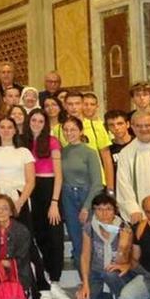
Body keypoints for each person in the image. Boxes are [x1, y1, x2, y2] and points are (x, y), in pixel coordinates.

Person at [0, 117, 48, 299]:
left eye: (9, 127)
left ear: (15, 130)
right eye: (2, 127)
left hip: (19, 199)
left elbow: (30, 181)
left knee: (28, 243)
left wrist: (18, 203)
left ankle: (40, 287)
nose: (6, 130)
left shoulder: (24, 152)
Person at [22, 109, 69, 299]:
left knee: (54, 238)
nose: (37, 124)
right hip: (29, 190)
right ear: (28, 121)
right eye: (33, 120)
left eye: (41, 121)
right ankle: (42, 283)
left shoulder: (52, 142)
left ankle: (55, 281)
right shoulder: (22, 142)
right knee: (36, 236)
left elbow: (59, 175)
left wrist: (54, 202)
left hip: (49, 190)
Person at [75, 193, 134, 299]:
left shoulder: (124, 228)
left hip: (117, 272)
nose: (104, 213)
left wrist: (122, 246)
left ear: (115, 211)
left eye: (108, 209)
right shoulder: (90, 227)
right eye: (99, 209)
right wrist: (85, 284)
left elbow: (124, 262)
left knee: (110, 273)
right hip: (97, 272)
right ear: (94, 211)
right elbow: (85, 256)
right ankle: (109, 297)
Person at [60, 115, 103, 272]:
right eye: (66, 130)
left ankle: (94, 279)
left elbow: (97, 183)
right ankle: (84, 279)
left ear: (81, 131)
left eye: (73, 129)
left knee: (90, 239)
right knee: (76, 239)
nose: (69, 133)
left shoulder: (90, 152)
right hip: (68, 197)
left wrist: (86, 206)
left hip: (86, 196)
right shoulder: (61, 152)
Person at [59, 91, 114, 194]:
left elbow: (106, 158)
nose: (74, 107)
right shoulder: (58, 129)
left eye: (77, 103)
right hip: (70, 186)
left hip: (96, 183)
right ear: (65, 106)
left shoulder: (96, 126)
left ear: (83, 105)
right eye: (70, 104)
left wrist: (110, 189)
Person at [104, 109, 133, 176]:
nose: (116, 128)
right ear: (107, 128)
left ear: (128, 124)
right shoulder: (107, 150)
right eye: (111, 125)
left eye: (120, 124)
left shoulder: (138, 143)